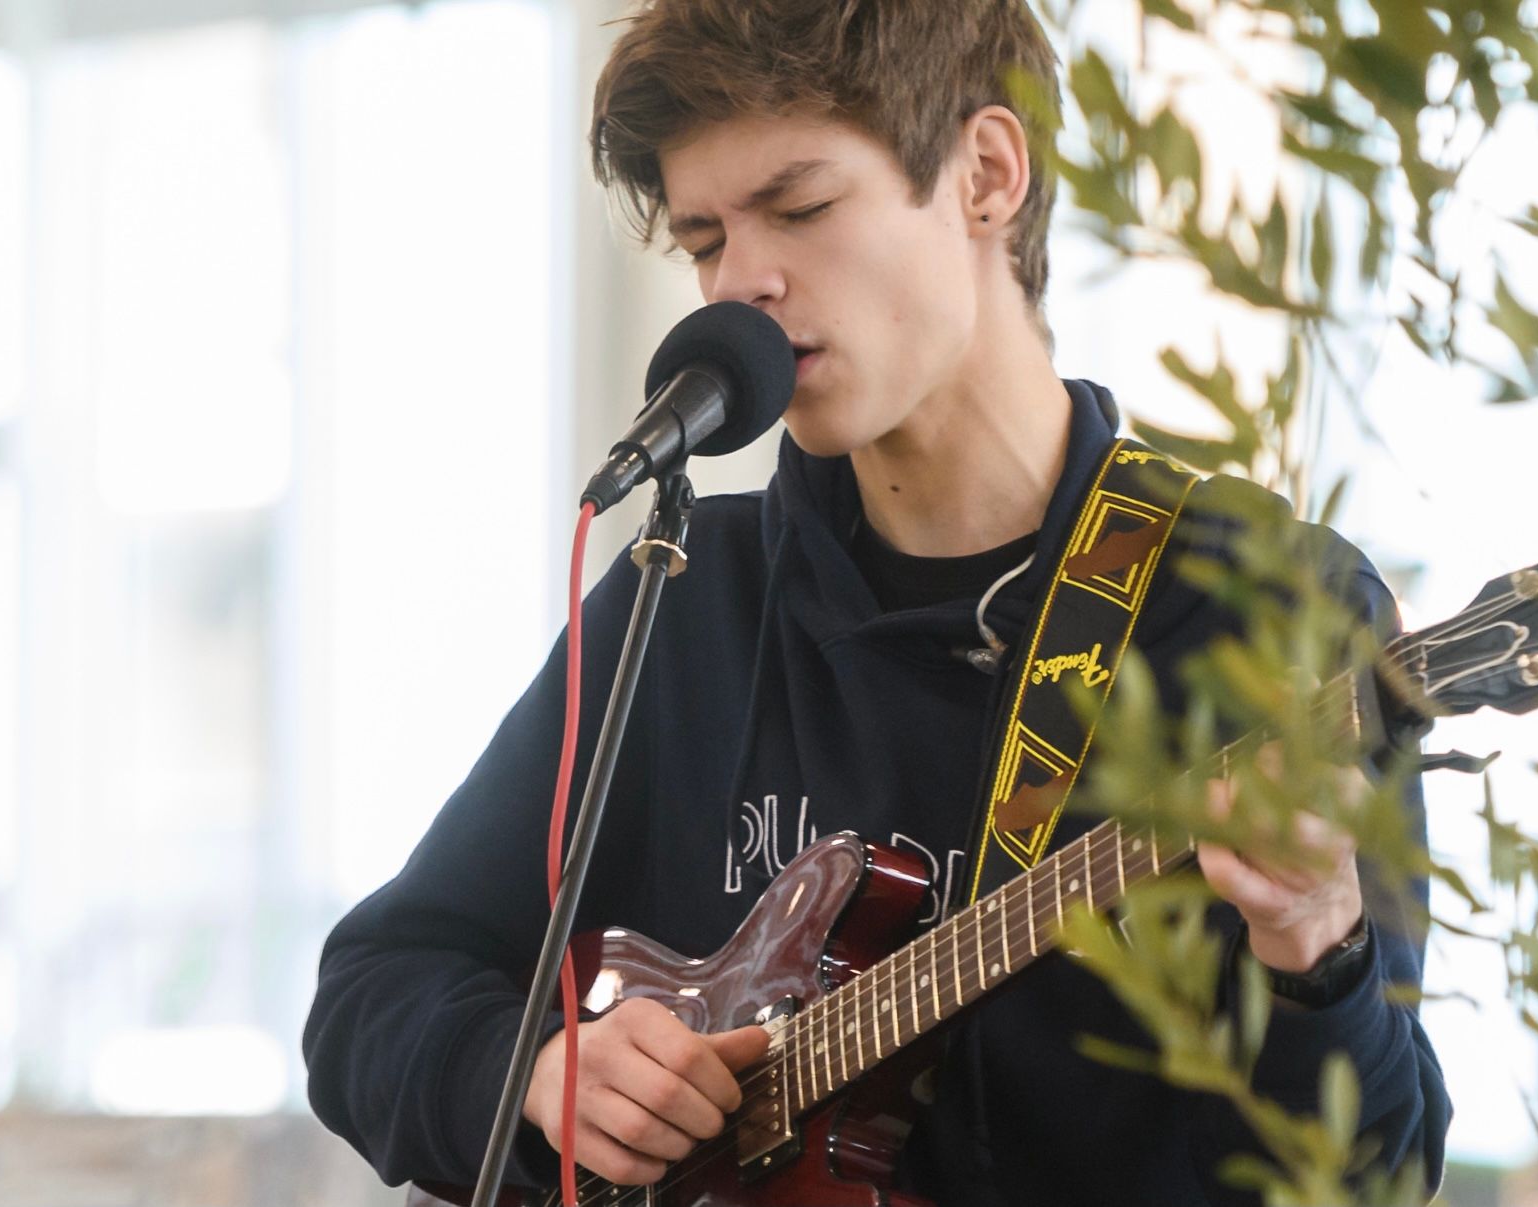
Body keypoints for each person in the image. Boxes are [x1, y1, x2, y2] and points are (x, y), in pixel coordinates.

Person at [300, 1, 1449, 1203]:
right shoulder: (688, 600)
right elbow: (375, 988)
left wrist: (1320, 948)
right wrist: (537, 1072)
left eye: (799, 207)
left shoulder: (1272, 613)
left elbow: (1385, 1175)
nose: (740, 285)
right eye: (704, 239)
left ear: (986, 176)